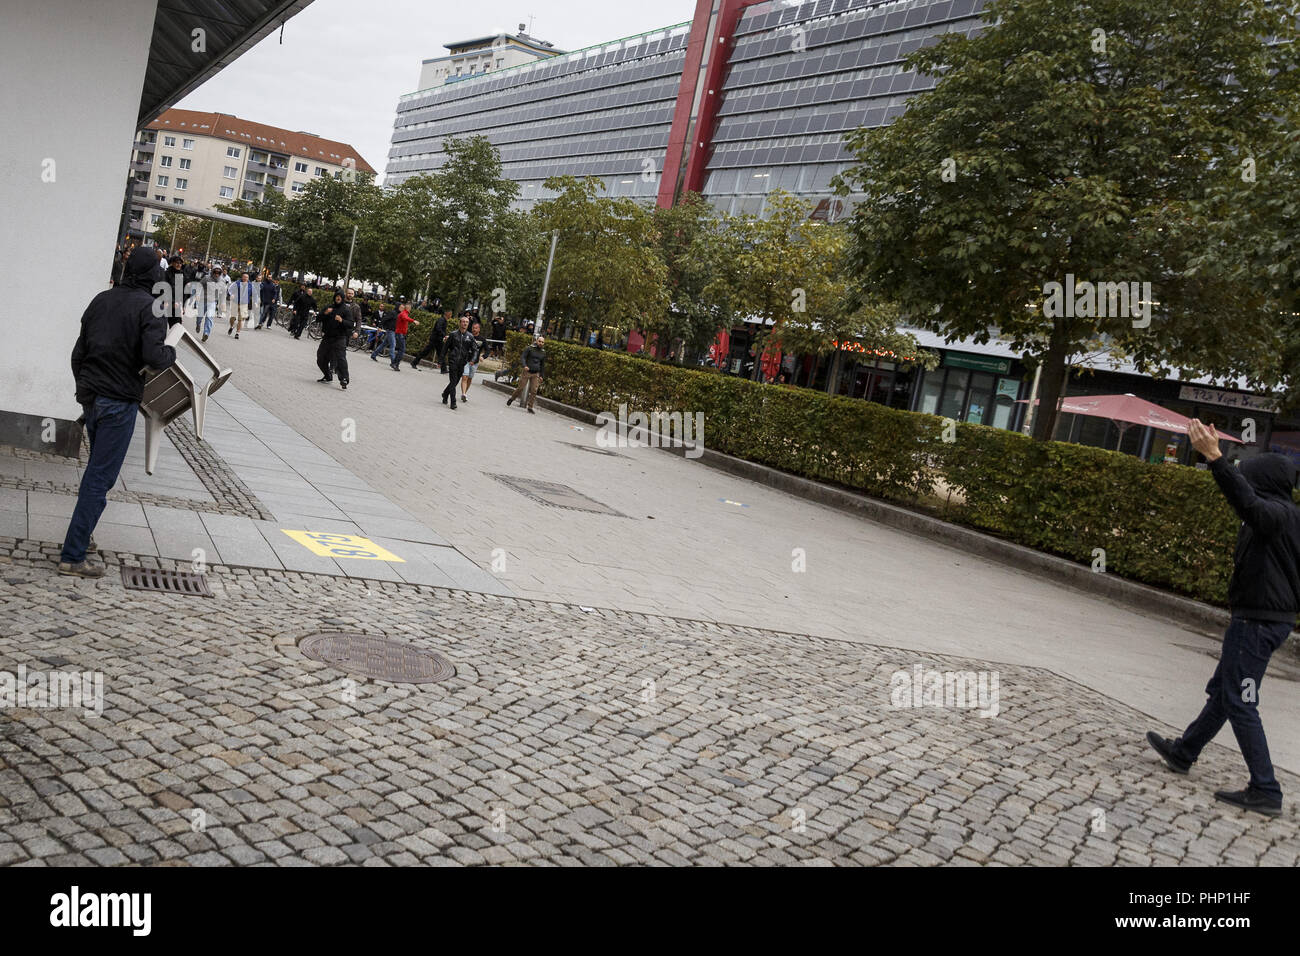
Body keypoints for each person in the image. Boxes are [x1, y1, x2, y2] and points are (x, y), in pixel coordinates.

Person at [1146, 420, 1300, 817]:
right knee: (1225, 692)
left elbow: (1246, 501)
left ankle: (1266, 789)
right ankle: (1184, 752)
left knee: (1240, 700)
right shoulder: (1281, 516)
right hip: (1260, 619)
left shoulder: (1275, 515)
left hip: (1259, 624)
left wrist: (1215, 459)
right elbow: (1248, 502)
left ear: (1264, 484)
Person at [59, 246, 177, 577]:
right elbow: (154, 357)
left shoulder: (102, 299)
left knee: (96, 472)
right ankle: (73, 554)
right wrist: (171, 354)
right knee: (100, 477)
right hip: (118, 403)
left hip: (93, 399)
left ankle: (83, 534)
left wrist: (84, 394)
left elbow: (77, 353)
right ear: (153, 274)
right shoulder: (151, 307)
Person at [316, 290, 354, 389]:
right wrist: (325, 313)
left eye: (340, 297)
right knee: (320, 358)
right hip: (327, 337)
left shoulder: (346, 310)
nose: (338, 298)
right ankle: (328, 376)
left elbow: (351, 324)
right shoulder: (329, 307)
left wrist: (342, 321)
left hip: (340, 338)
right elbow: (318, 318)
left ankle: (344, 379)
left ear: (342, 298)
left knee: (341, 359)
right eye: (337, 296)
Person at [441, 316, 476, 410]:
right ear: (460, 323)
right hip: (453, 360)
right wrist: (441, 360)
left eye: (467, 322)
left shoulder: (470, 336)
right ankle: (453, 402)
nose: (465, 323)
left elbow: (474, 350)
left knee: (455, 382)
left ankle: (445, 393)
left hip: (462, 362)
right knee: (453, 381)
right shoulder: (453, 334)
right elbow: (445, 348)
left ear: (468, 324)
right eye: (463, 322)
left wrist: (472, 359)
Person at [507, 334, 546, 414]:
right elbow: (523, 357)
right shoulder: (529, 348)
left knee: (534, 390)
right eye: (539, 341)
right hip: (527, 371)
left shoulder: (543, 352)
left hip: (536, 373)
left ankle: (530, 407)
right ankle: (512, 398)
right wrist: (525, 366)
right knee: (520, 388)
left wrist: (542, 376)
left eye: (542, 342)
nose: (540, 343)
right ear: (536, 341)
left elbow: (542, 365)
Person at [459, 319, 486, 403]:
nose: (474, 329)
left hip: (475, 363)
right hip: (466, 360)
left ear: (479, 329)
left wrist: (483, 357)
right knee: (464, 377)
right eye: (473, 328)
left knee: (470, 378)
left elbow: (488, 350)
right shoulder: (468, 336)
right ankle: (463, 393)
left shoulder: (482, 339)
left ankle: (465, 393)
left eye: (476, 328)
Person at [388, 301, 417, 370]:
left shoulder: (404, 313)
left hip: (401, 334)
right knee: (402, 350)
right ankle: (395, 364)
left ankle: (394, 363)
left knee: (401, 350)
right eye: (410, 308)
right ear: (408, 308)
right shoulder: (403, 313)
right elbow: (405, 318)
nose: (410, 309)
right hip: (400, 334)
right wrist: (413, 321)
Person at [228, 271, 253, 338]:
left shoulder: (250, 285)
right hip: (235, 302)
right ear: (242, 277)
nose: (245, 278)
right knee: (232, 317)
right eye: (244, 277)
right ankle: (231, 326)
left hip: (244, 304)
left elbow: (254, 294)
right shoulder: (237, 283)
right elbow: (230, 289)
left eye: (247, 277)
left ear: (248, 278)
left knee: (240, 319)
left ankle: (237, 333)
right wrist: (231, 294)